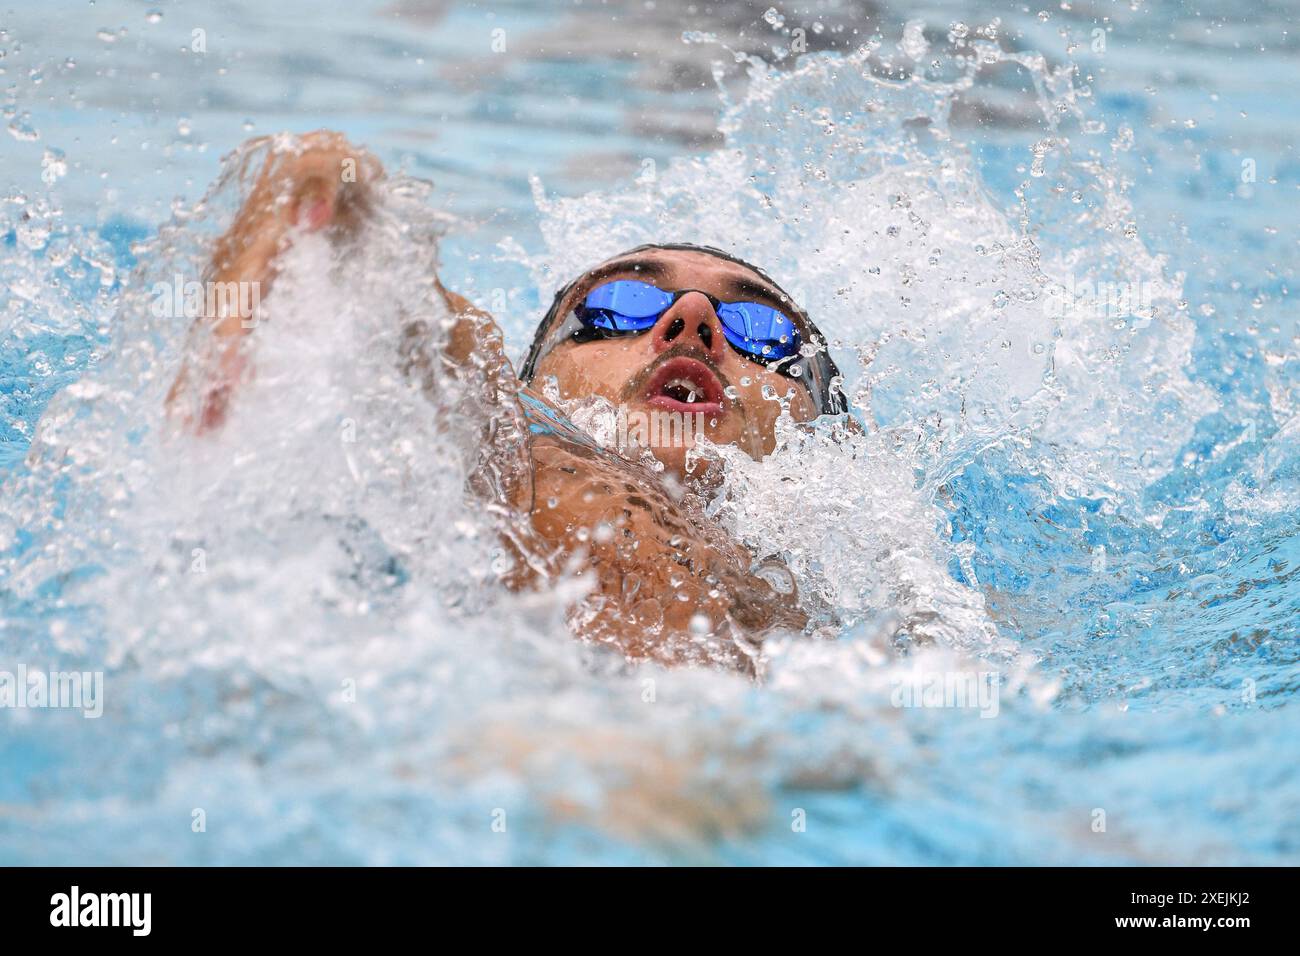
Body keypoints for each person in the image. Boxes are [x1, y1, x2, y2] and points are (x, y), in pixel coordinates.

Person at [166, 132, 849, 672]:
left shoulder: (858, 606)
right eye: (618, 307)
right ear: (535, 387)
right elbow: (431, 333)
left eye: (766, 334)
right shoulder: (515, 455)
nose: (694, 320)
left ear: (821, 429)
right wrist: (321, 181)